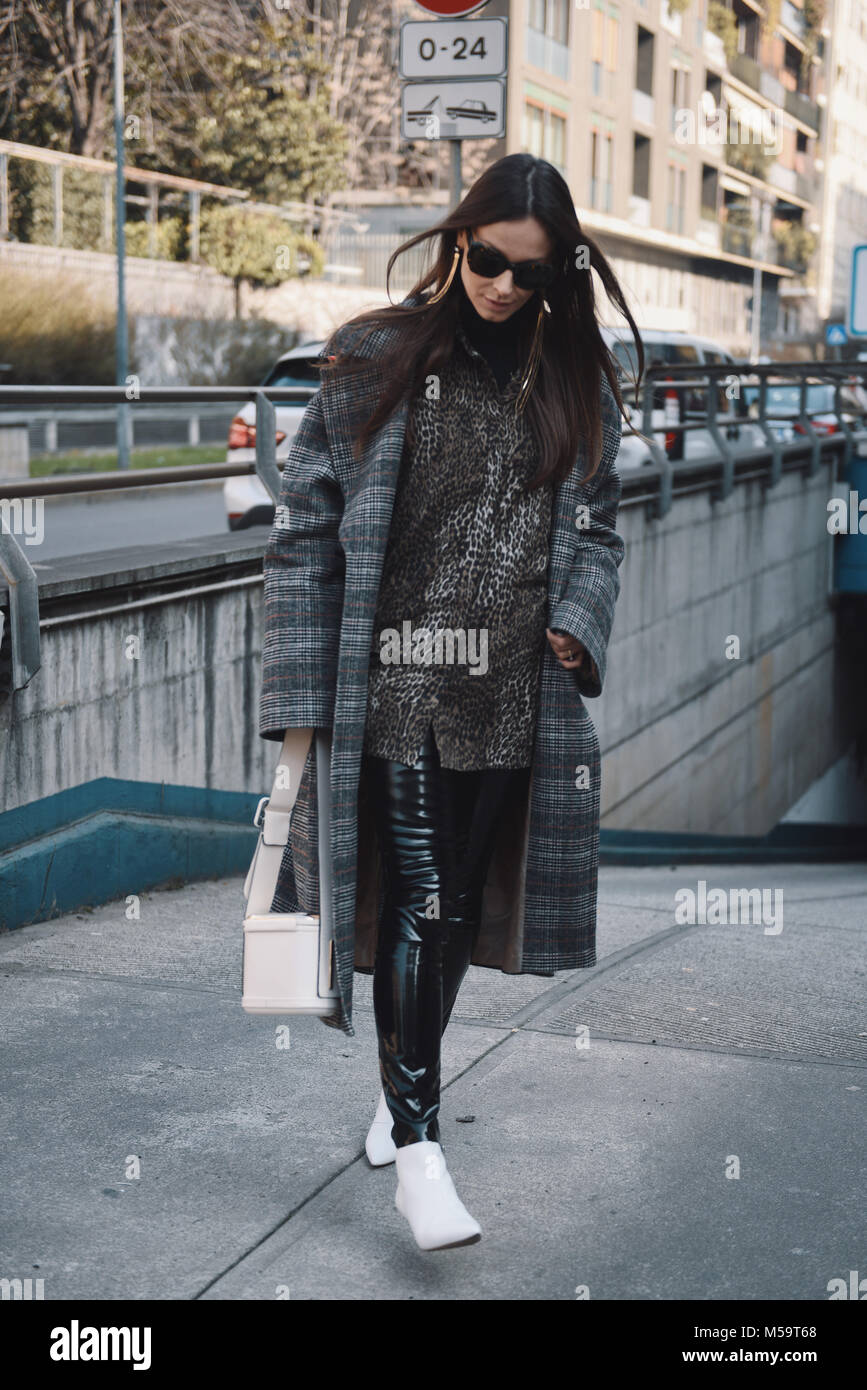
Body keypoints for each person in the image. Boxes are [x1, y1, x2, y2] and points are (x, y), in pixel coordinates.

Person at [259, 153, 643, 1252]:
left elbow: (603, 532)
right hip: (399, 681)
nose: (500, 287)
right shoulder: (372, 354)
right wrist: (296, 705)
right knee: (425, 898)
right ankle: (421, 1152)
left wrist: (579, 613)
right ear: (456, 239)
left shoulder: (575, 377)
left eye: (528, 273)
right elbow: (302, 536)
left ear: (557, 276)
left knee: (459, 909)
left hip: (515, 690)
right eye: (485, 259)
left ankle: (396, 1095)